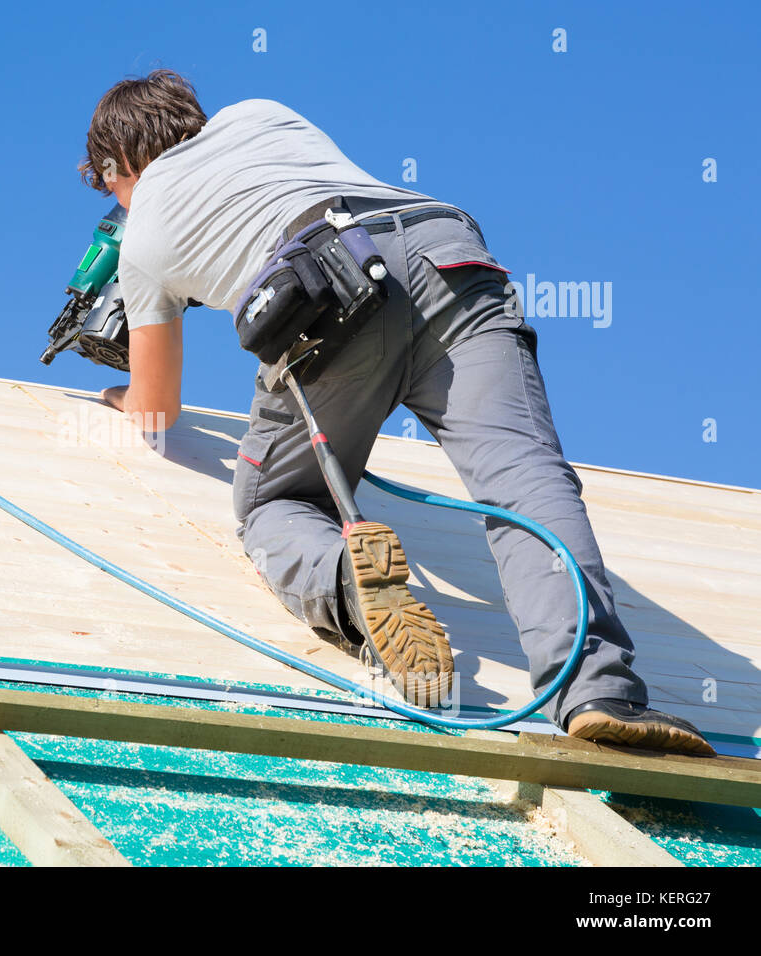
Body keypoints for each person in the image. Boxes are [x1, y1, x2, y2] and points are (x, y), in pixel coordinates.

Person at [82, 69, 713, 756]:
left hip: (327, 297)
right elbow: (273, 198)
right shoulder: (260, 112)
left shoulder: (142, 235)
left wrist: (121, 392)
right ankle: (598, 690)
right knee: (525, 476)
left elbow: (155, 410)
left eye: (106, 183)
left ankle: (351, 585)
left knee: (275, 504)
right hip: (443, 249)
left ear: (120, 166)